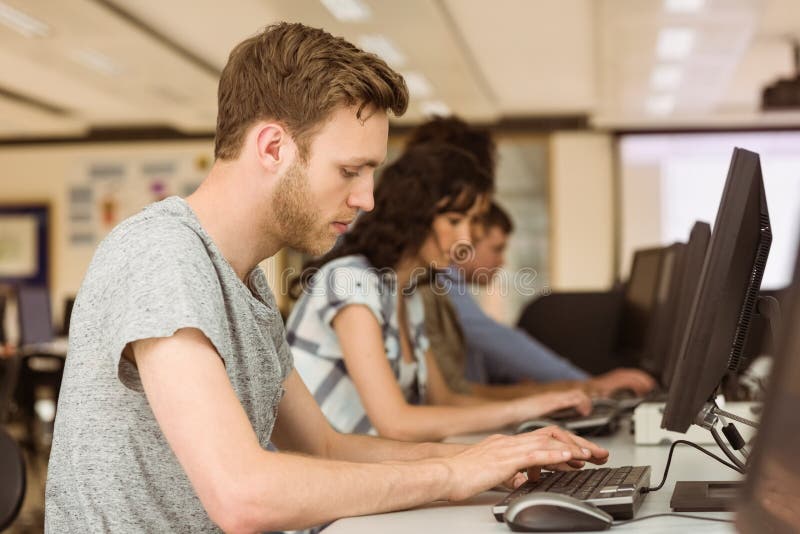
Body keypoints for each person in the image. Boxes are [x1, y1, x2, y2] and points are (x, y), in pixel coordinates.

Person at [44, 23, 608, 533]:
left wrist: (485, 458)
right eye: (349, 170)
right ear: (272, 148)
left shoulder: (247, 283)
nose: (366, 198)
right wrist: (451, 476)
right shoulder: (161, 253)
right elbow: (244, 496)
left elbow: (324, 446)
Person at [287, 143, 596, 442]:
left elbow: (444, 399)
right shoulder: (351, 281)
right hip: (316, 479)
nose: (466, 239)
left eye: (472, 222)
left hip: (367, 472)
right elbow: (396, 423)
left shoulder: (409, 296)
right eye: (453, 221)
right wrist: (525, 408)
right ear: (413, 215)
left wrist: (541, 406)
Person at [441, 201, 656, 397]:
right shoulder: (439, 284)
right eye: (497, 249)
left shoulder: (451, 287)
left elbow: (483, 353)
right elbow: (492, 337)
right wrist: (588, 385)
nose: (502, 261)